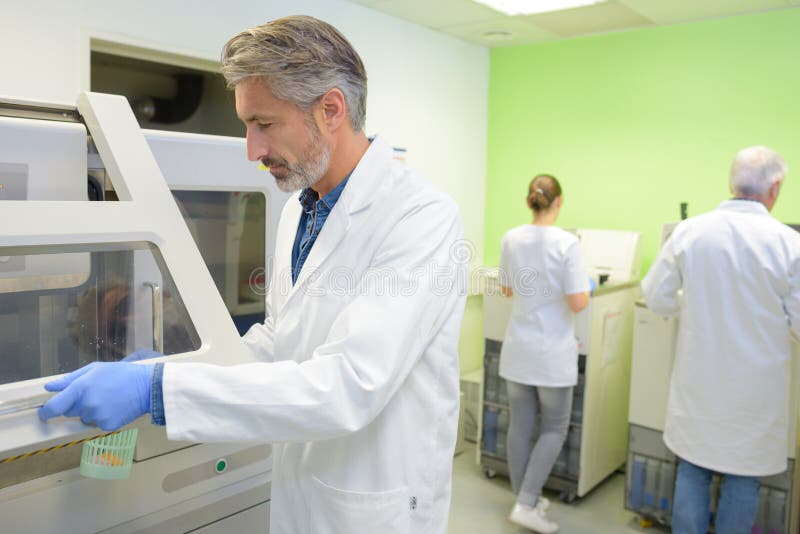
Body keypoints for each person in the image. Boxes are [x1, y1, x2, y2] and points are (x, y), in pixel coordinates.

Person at [38, 16, 467, 534]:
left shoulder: (420, 218)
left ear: (330, 109)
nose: (252, 151)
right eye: (248, 126)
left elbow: (348, 386)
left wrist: (158, 391)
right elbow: (280, 340)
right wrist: (186, 367)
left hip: (374, 505)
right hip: (301, 488)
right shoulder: (300, 210)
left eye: (263, 124)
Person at [642, 146, 800, 534]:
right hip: (755, 397)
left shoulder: (691, 232)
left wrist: (692, 306)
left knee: (693, 472)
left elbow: (656, 298)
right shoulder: (788, 244)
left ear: (730, 183)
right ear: (775, 187)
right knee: (742, 481)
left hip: (699, 386)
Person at [498, 174, 591, 533]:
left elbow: (506, 289)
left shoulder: (511, 238)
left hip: (519, 349)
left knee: (519, 426)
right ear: (559, 202)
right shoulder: (568, 243)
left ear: (528, 202)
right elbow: (578, 302)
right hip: (551, 353)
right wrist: (588, 288)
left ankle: (528, 500)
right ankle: (525, 503)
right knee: (553, 427)